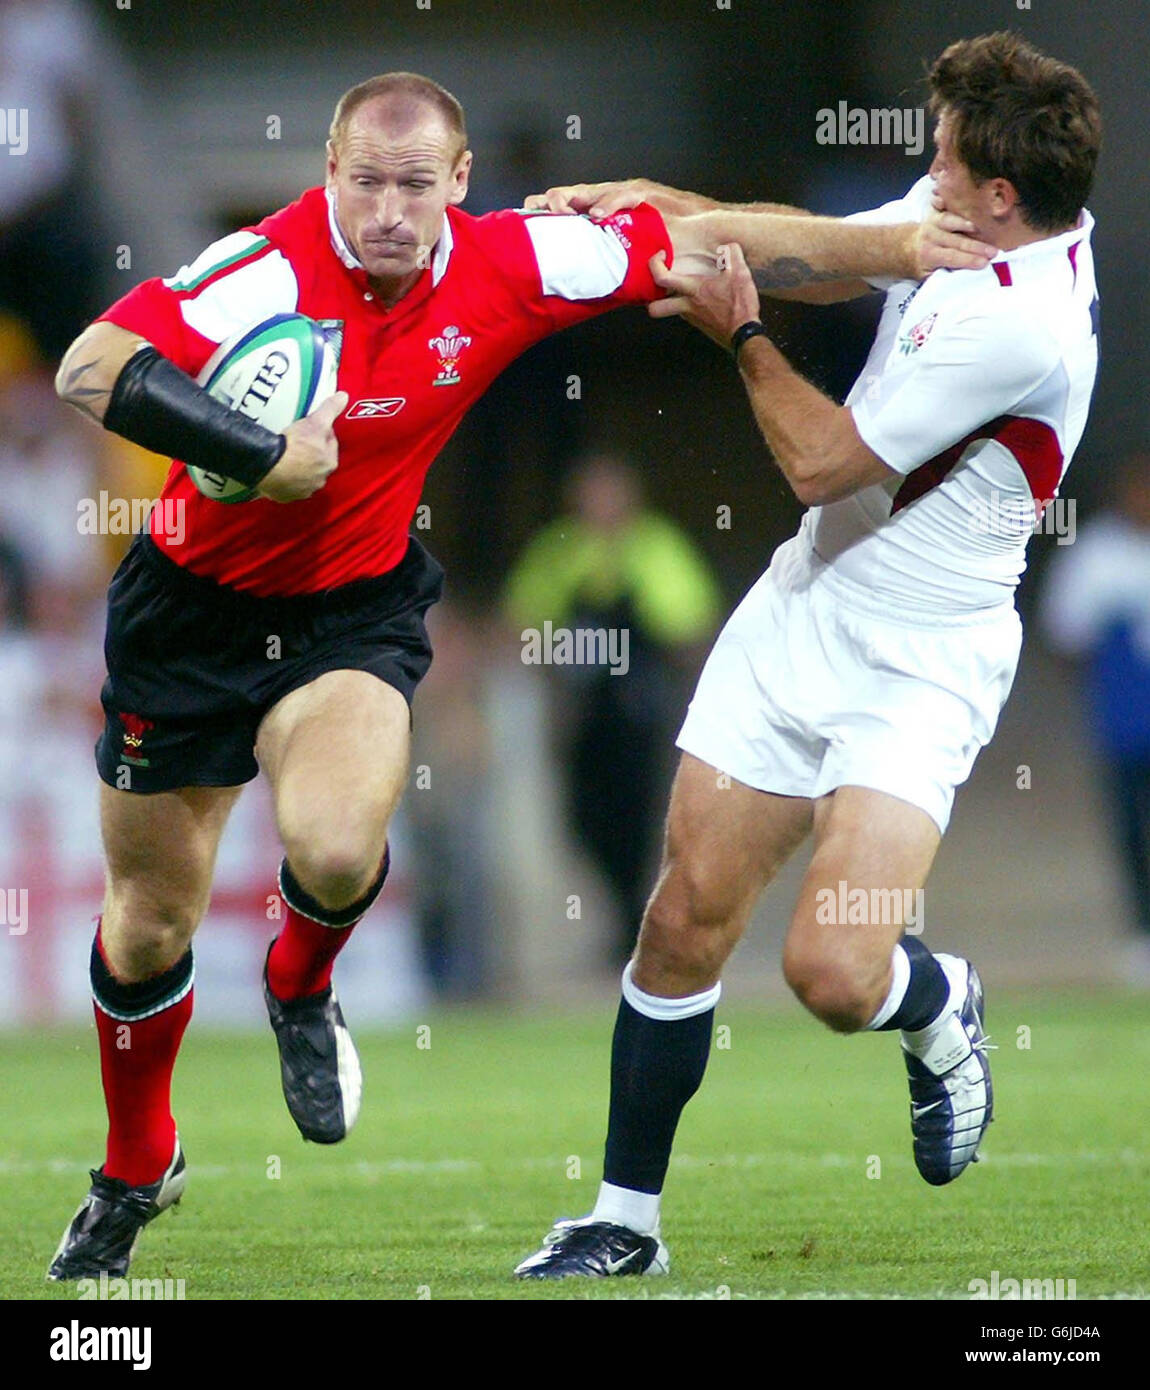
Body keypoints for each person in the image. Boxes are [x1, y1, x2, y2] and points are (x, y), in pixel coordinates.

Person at [47, 68, 990, 1282]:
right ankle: (137, 1167)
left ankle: (300, 985)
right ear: (328, 174)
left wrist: (901, 243)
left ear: (458, 185)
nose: (386, 211)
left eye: (412, 186)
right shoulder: (265, 273)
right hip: (182, 620)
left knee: (334, 849)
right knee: (146, 926)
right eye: (363, 183)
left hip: (348, 612)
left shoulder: (512, 262)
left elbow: (709, 241)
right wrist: (255, 450)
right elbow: (89, 363)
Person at [516, 31, 1100, 1279]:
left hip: (923, 661)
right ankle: (625, 1219)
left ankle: (937, 1003)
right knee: (679, 920)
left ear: (999, 194)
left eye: (942, 151)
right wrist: (658, 205)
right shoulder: (981, 217)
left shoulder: (1025, 321)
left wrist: (737, 333)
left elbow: (821, 460)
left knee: (833, 971)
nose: (925, 163)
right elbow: (828, 261)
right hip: (808, 609)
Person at [504, 451, 722, 963]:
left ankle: (632, 929)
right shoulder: (558, 551)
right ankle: (628, 920)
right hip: (582, 717)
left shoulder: (657, 547)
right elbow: (523, 625)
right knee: (581, 819)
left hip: (639, 713)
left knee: (637, 819)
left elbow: (690, 627)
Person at [1040, 452, 1150, 981]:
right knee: (1132, 829)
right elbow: (1065, 634)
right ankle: (1142, 935)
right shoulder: (1098, 556)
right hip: (1127, 725)